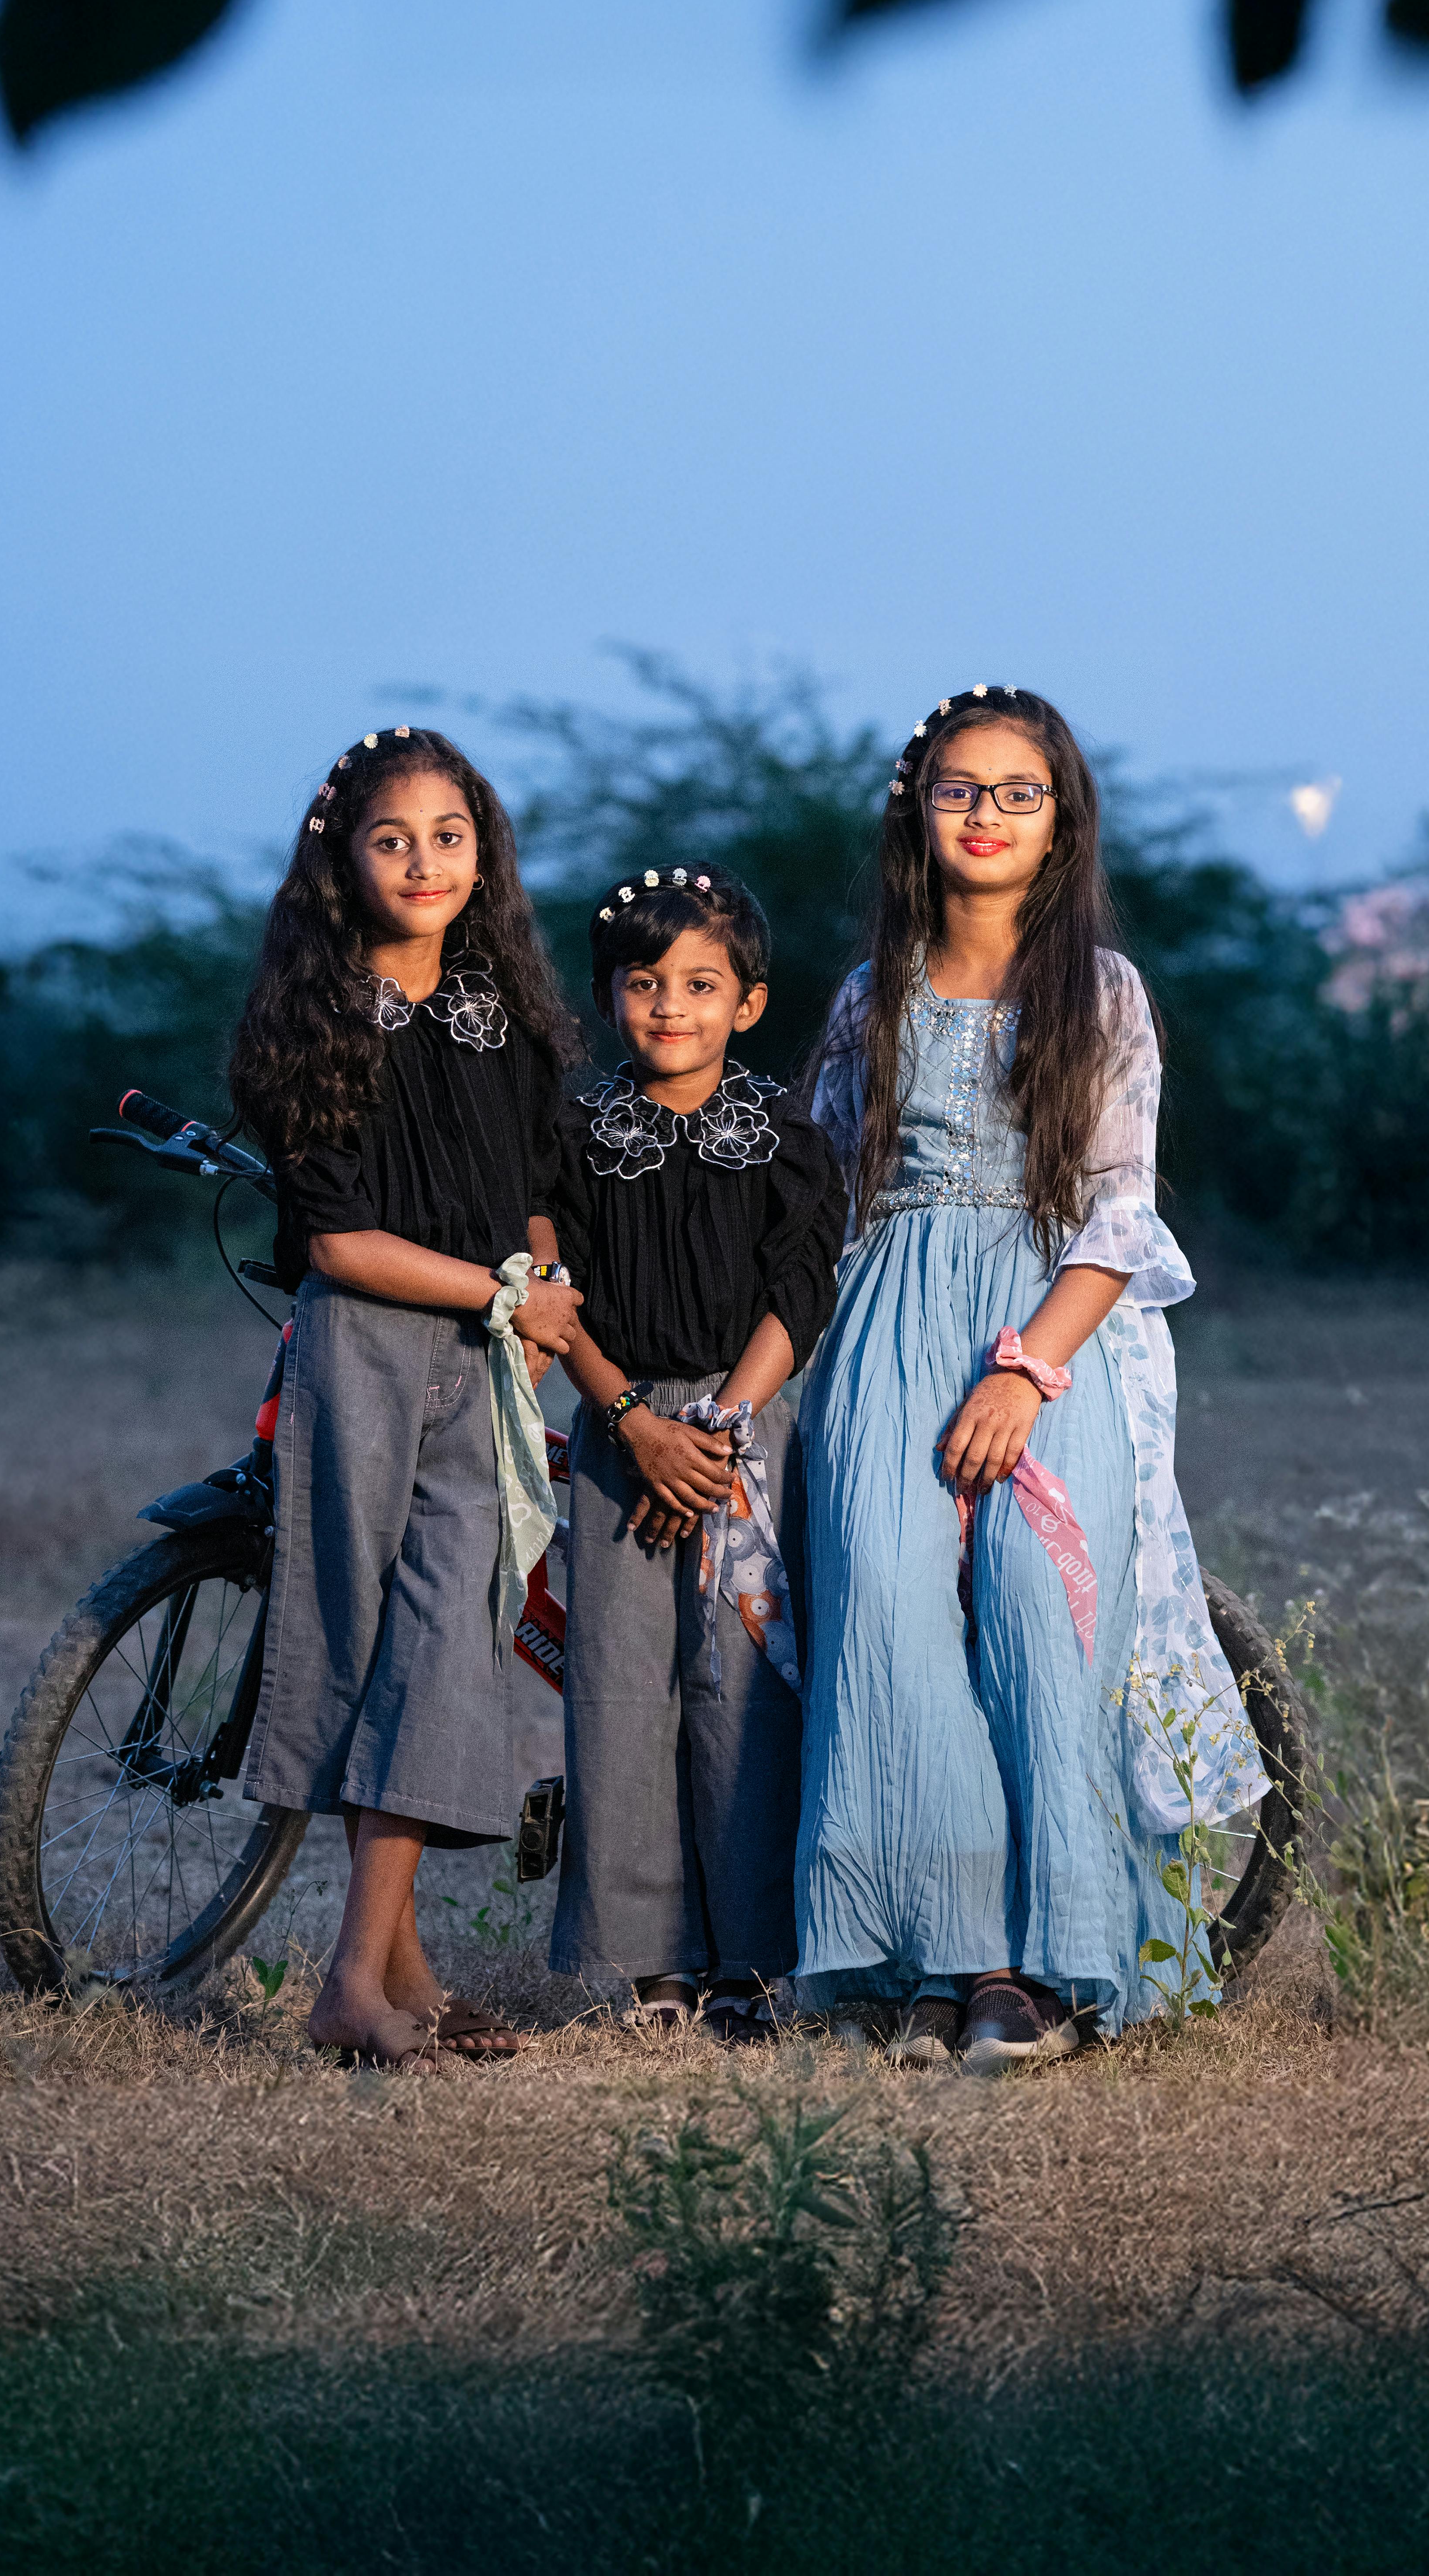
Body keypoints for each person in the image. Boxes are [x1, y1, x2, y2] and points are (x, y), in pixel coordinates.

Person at [796, 685, 1266, 2074]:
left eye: (1019, 792)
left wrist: (1025, 1373)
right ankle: (952, 1956)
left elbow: (1122, 1217)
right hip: (887, 1312)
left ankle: (1057, 1960)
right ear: (916, 810)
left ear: (1062, 820)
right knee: (880, 1588)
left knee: (1025, 1592)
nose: (987, 815)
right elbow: (823, 1197)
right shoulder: (869, 1001)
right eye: (958, 788)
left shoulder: (1101, 995)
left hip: (1056, 1324)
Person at [228, 726, 584, 2069]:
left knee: (446, 1645)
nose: (424, 861)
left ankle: (366, 1980)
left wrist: (541, 1293)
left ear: (482, 849)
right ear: (342, 857)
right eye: (392, 839)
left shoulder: (506, 1021)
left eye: (449, 835)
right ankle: (382, 1979)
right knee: (360, 1639)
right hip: (366, 1354)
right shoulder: (315, 1024)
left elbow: (537, 1189)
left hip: (485, 1366)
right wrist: (505, 1297)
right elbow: (336, 1244)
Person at [549, 866, 846, 2042]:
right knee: (620, 1689)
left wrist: (715, 1435)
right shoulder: (572, 1137)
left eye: (701, 984)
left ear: (750, 1005)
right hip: (621, 1430)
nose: (670, 1006)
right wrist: (634, 1421)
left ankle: (754, 1961)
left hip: (744, 1435)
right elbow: (556, 1295)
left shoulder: (788, 1142)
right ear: (612, 996)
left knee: (741, 1693)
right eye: (644, 982)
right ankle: (646, 1965)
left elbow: (800, 1291)